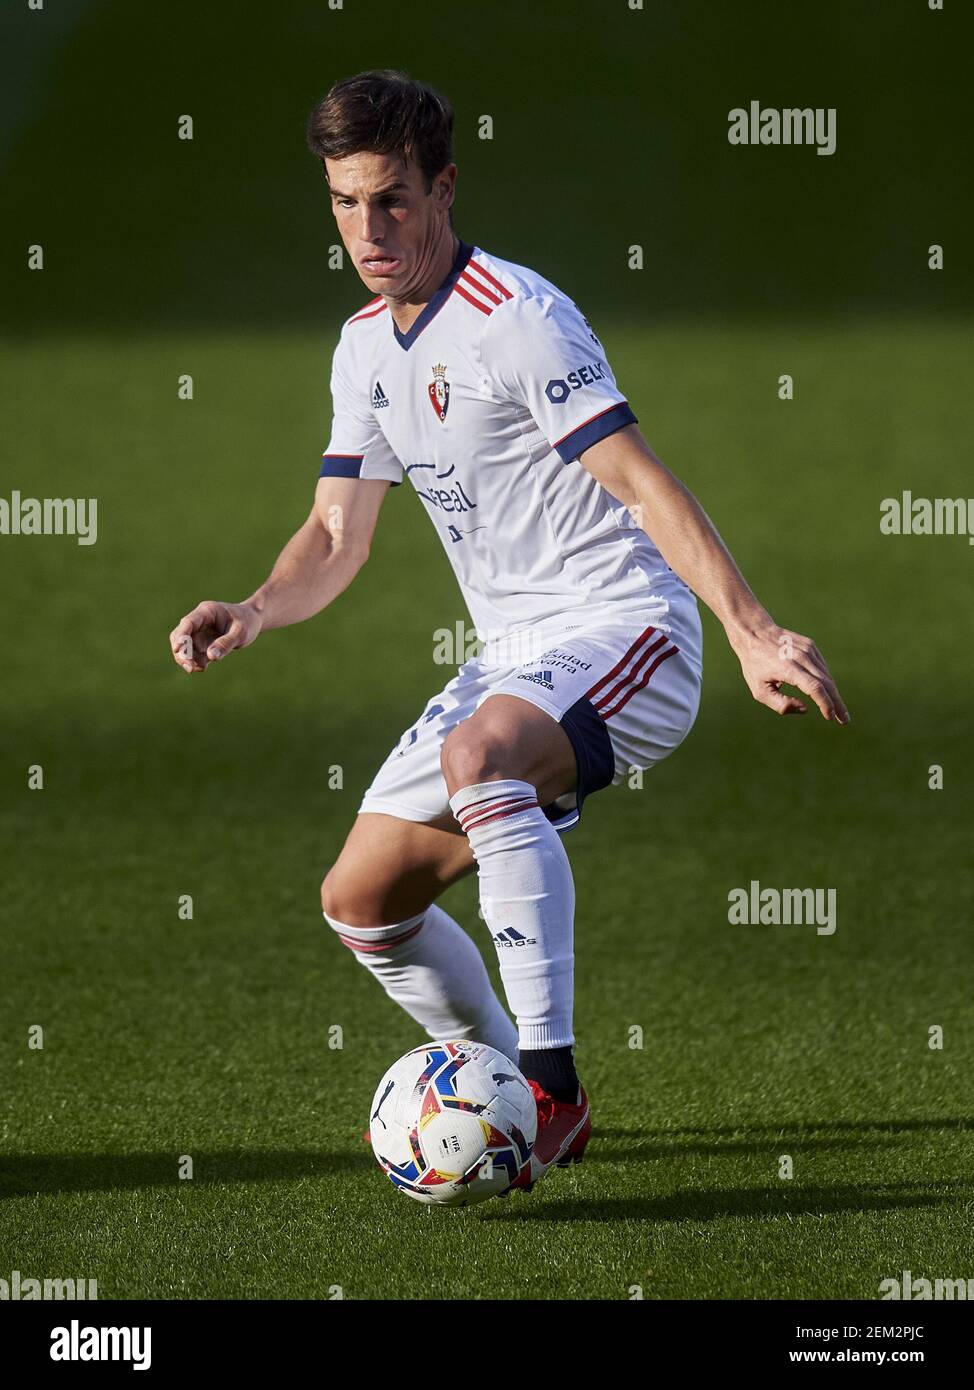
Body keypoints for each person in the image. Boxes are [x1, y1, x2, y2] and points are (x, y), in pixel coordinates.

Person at [169, 70, 848, 1191]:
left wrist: (750, 630)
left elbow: (638, 483)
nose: (368, 229)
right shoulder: (362, 348)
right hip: (512, 655)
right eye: (344, 203)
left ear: (443, 187)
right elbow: (335, 535)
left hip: (629, 630)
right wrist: (251, 608)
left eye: (391, 199)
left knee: (478, 760)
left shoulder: (518, 317)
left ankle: (549, 1093)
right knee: (362, 902)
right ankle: (487, 1085)